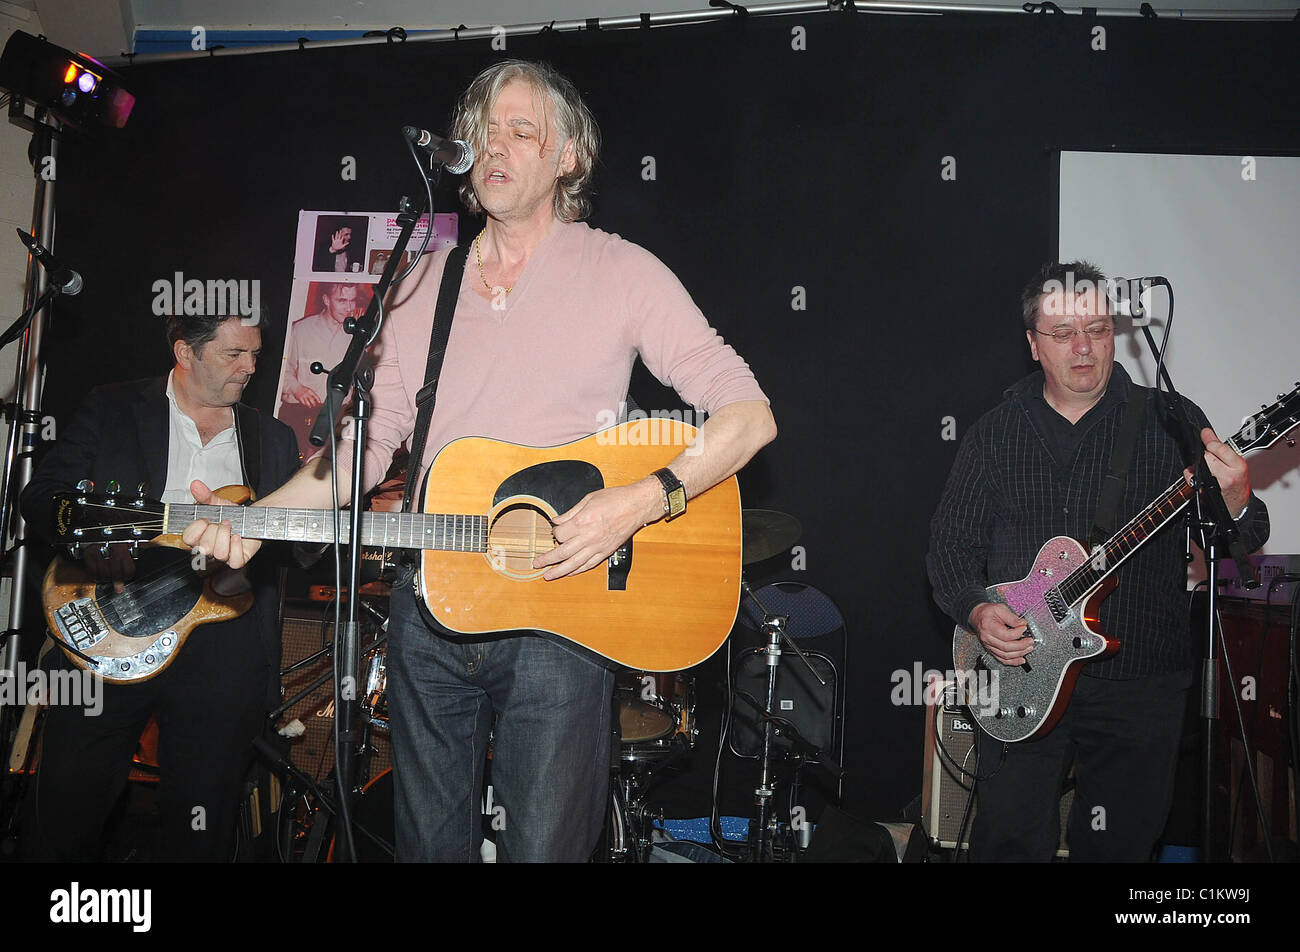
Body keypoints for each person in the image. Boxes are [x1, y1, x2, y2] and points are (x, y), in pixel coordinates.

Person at [184, 59, 776, 862]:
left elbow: (750, 415)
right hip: (433, 609)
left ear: (568, 157)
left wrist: (640, 501)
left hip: (562, 619)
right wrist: (254, 518)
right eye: (482, 130)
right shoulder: (425, 276)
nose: (495, 145)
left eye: (521, 130)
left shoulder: (623, 272)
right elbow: (365, 442)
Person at [926, 261, 1269, 862]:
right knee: (1007, 841)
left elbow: (1233, 541)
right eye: (1062, 333)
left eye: (1098, 329)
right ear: (1033, 344)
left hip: (1141, 680)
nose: (1083, 347)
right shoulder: (994, 433)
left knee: (1121, 848)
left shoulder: (1172, 419)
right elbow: (949, 550)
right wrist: (979, 611)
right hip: (1020, 671)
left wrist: (1236, 504)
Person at [22, 313, 299, 861]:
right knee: (69, 807)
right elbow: (43, 497)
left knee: (203, 819)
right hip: (115, 619)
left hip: (225, 641)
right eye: (233, 354)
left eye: (255, 355)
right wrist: (88, 544)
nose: (249, 368)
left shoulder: (273, 437)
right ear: (185, 352)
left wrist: (335, 512)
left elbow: (299, 549)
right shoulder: (112, 406)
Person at [279, 282, 361, 452]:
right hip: (299, 414)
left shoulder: (357, 335)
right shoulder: (300, 329)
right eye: (342, 300)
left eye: (352, 301)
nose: (349, 308)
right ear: (326, 300)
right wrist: (297, 388)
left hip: (338, 417)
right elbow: (283, 370)